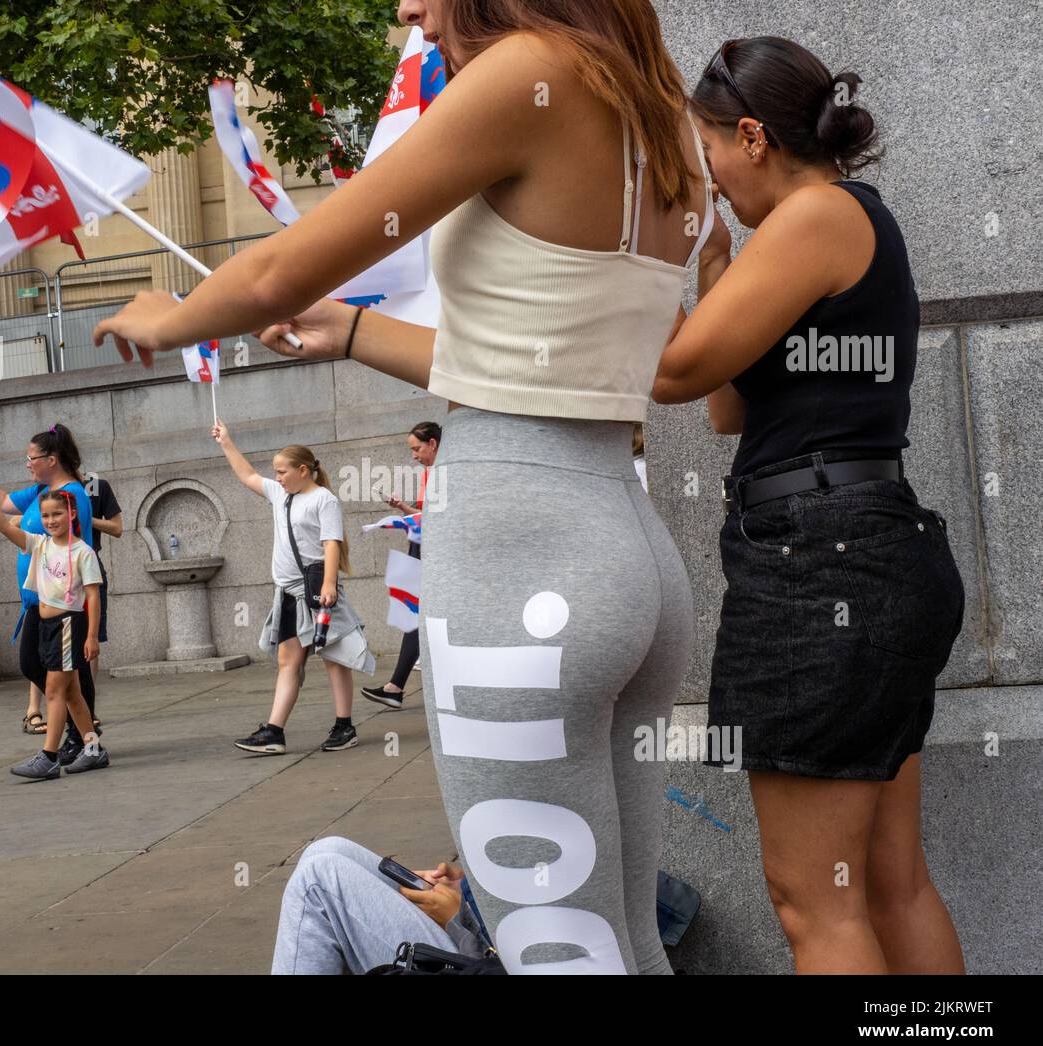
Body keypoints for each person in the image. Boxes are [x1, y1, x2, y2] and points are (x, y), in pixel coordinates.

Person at [94, 0, 708, 974]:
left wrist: (168, 315)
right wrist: (350, 331)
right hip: (625, 553)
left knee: (557, 954)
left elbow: (275, 269)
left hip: (518, 555)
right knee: (623, 944)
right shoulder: (660, 111)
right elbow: (543, 361)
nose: (407, 9)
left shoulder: (523, 77)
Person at [652, 37, 965, 974]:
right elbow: (724, 408)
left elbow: (671, 371)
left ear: (752, 135)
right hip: (868, 556)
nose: (710, 178)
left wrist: (622, 263)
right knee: (887, 881)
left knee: (814, 904)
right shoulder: (844, 221)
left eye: (710, 152)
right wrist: (712, 263)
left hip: (817, 565)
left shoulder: (815, 216)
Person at [211, 419, 376, 755]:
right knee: (289, 661)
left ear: (303, 470)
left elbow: (332, 544)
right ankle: (274, 731)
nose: (277, 477)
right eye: (276, 472)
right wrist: (226, 441)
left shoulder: (323, 499)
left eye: (283, 471)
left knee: (335, 657)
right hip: (287, 594)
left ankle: (344, 727)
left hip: (316, 591)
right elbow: (247, 476)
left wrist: (330, 584)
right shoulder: (280, 495)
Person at [0, 424, 96, 757]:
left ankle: (74, 740)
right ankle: (85, 733)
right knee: (41, 668)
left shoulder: (70, 495)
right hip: (37, 600)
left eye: (31, 458)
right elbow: (4, 505)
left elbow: (72, 550)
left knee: (64, 676)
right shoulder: (40, 492)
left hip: (63, 604)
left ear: (51, 459)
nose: (27, 464)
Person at [0, 480, 109, 779]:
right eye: (46, 516)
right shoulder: (40, 544)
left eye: (57, 514)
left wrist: (90, 636)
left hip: (68, 625)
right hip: (47, 624)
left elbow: (93, 597)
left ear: (71, 514)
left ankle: (48, 757)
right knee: (72, 693)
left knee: (53, 691)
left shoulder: (82, 552)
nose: (51, 521)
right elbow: (6, 529)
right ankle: (93, 749)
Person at [272, 836, 488, 975]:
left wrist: (459, 920)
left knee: (317, 877)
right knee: (327, 848)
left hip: (483, 960)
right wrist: (467, 891)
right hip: (481, 931)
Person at [361, 421, 439, 710]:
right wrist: (402, 510)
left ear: (433, 443)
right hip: (424, 549)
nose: (414, 456)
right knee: (415, 616)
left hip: (432, 554)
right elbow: (426, 516)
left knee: (417, 616)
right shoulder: (432, 472)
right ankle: (395, 686)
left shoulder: (444, 472)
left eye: (417, 448)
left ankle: (395, 687)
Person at [86, 475, 124, 683]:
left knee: (91, 638)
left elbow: (117, 528)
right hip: (55, 568)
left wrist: (86, 518)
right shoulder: (44, 488)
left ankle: (88, 705)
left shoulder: (96, 487)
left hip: (90, 564)